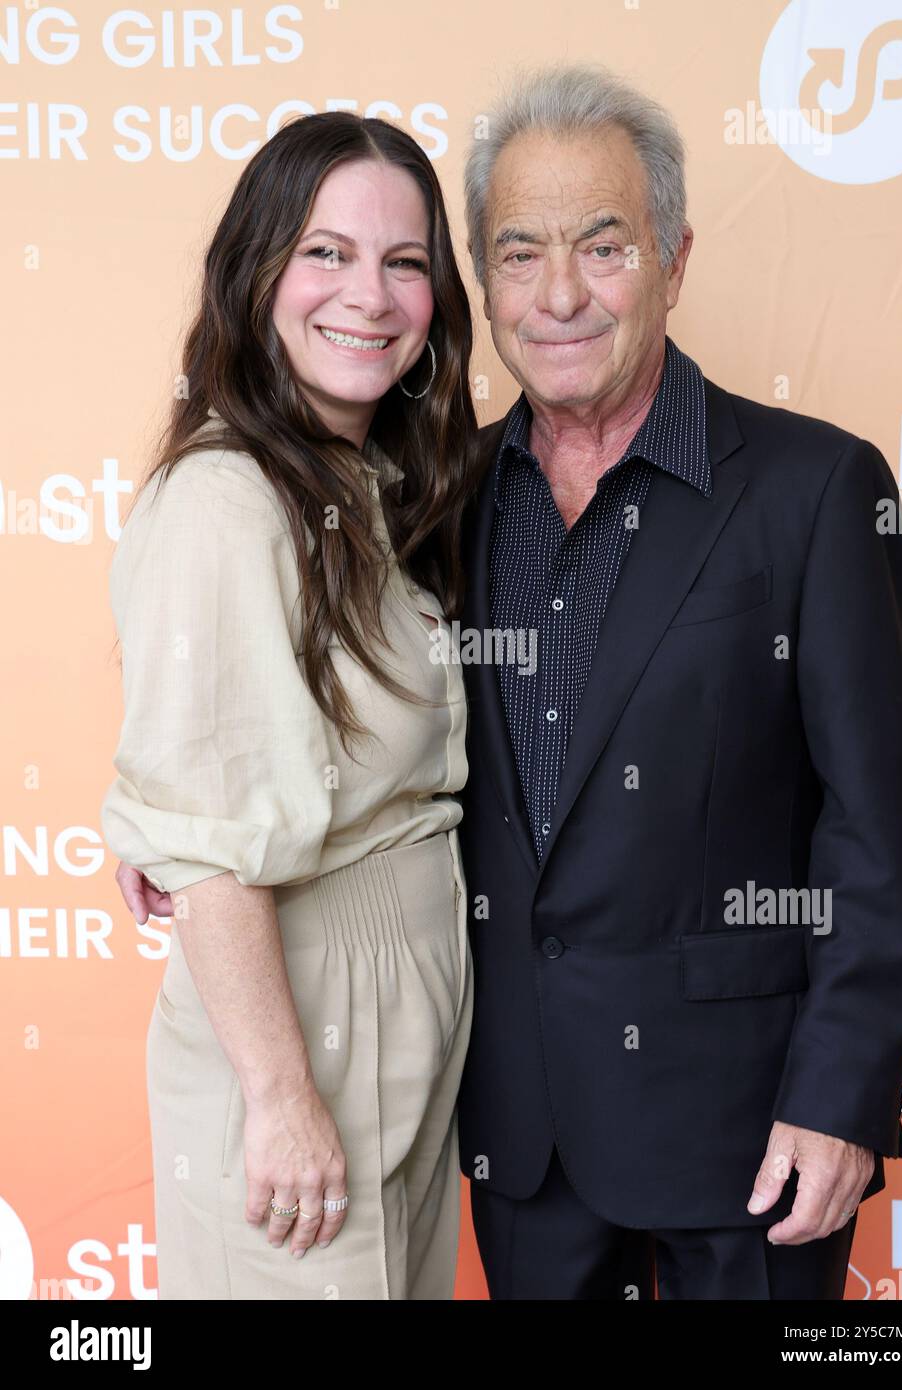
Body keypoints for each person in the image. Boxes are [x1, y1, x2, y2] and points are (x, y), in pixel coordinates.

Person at [453, 62, 902, 1299]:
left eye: (603, 245)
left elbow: (876, 827)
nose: (559, 294)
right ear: (480, 276)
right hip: (524, 1136)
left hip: (756, 1142)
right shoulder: (439, 506)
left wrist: (842, 1098)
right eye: (519, 253)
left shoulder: (816, 490)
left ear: (673, 256)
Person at [100, 110, 477, 1299]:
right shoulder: (225, 499)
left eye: (403, 260)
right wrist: (279, 1092)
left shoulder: (368, 481)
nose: (368, 294)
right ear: (256, 273)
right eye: (325, 252)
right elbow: (212, 848)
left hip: (400, 992)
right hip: (310, 1009)